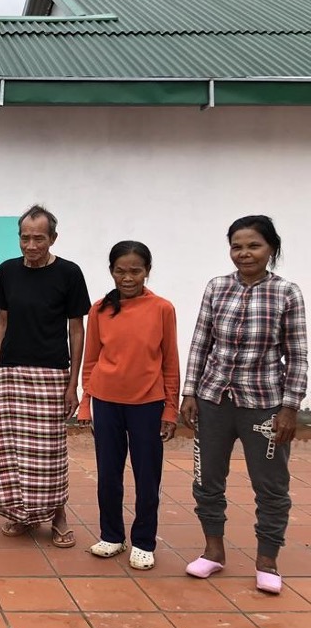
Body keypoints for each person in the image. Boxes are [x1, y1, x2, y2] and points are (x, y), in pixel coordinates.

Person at [181, 215, 307, 595]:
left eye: (253, 245)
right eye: (237, 246)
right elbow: (201, 342)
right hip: (214, 399)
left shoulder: (287, 293)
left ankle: (267, 559)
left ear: (271, 248)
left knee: (270, 487)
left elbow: (297, 355)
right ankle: (213, 550)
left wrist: (290, 408)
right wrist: (190, 392)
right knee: (206, 480)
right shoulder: (217, 288)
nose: (244, 253)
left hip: (265, 405)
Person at [0, 205, 90, 548]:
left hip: (51, 374)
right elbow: (2, 323)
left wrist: (72, 383)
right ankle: (21, 514)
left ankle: (58, 515)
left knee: (49, 453)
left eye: (39, 238)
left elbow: (77, 330)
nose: (31, 245)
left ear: (53, 238)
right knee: (13, 450)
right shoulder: (7, 271)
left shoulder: (69, 274)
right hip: (12, 372)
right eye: (25, 238)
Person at [77, 241, 180, 570]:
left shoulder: (163, 309)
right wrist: (85, 404)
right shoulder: (99, 309)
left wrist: (170, 408)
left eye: (135, 271)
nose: (128, 278)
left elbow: (171, 362)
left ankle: (145, 541)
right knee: (108, 474)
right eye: (120, 271)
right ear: (111, 271)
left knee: (147, 476)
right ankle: (111, 535)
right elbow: (90, 359)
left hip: (147, 405)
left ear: (147, 271)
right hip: (106, 403)